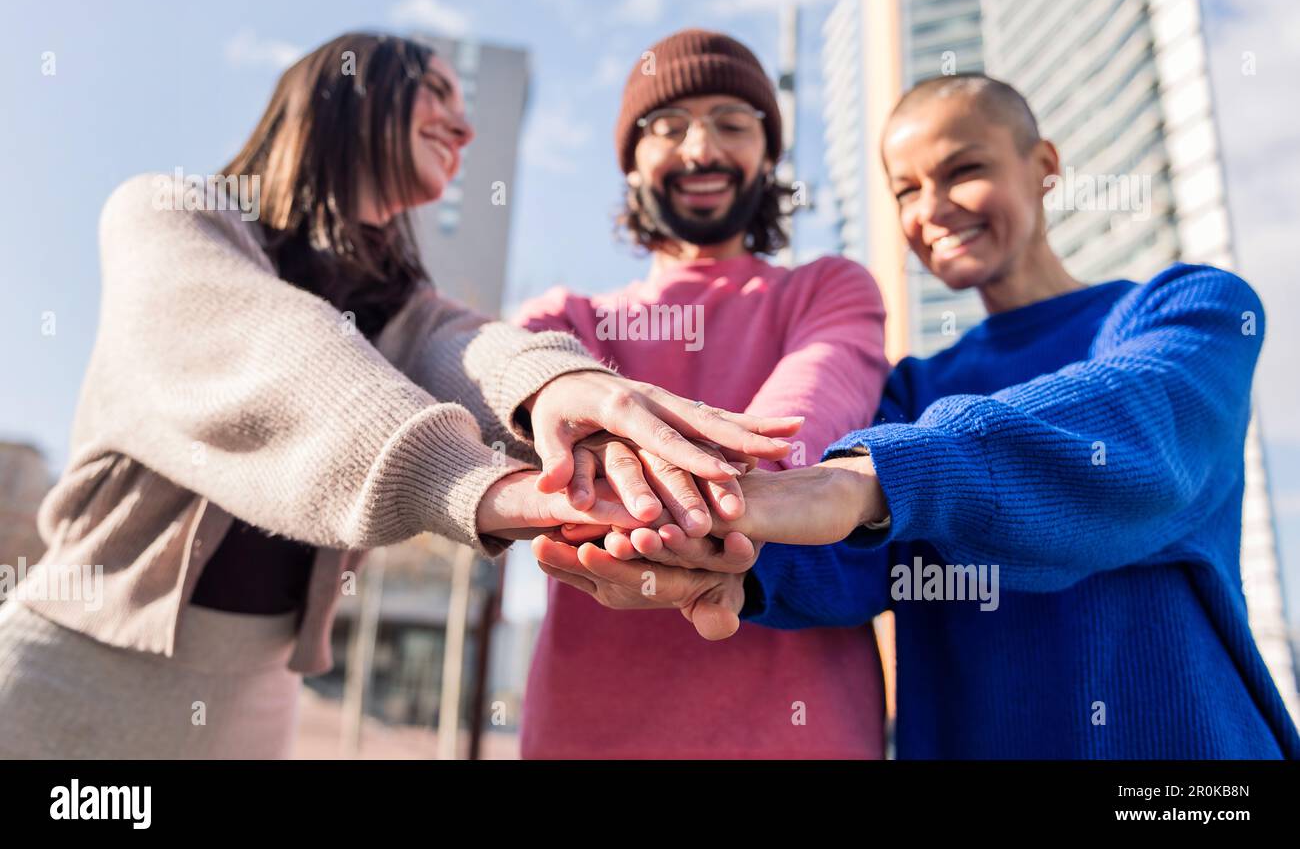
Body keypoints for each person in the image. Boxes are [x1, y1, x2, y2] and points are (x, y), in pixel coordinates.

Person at [0, 31, 799, 759]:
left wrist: (568, 386)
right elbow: (281, 353)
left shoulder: (404, 305)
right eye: (436, 94)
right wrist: (481, 485)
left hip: (261, 691)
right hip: (74, 668)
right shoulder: (169, 213)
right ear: (347, 91)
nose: (463, 126)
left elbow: (472, 349)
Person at [539, 73, 1300, 759]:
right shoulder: (907, 396)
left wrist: (872, 478)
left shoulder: (1189, 310)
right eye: (905, 190)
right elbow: (842, 560)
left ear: (1043, 167)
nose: (932, 208)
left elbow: (1137, 437)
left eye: (964, 170)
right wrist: (720, 559)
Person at [516, 29, 890, 759]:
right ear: (630, 165)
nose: (700, 150)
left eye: (731, 122)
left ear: (768, 154)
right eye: (669, 127)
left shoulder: (829, 289)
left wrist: (684, 501)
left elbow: (808, 406)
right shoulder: (562, 323)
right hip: (589, 726)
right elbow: (505, 413)